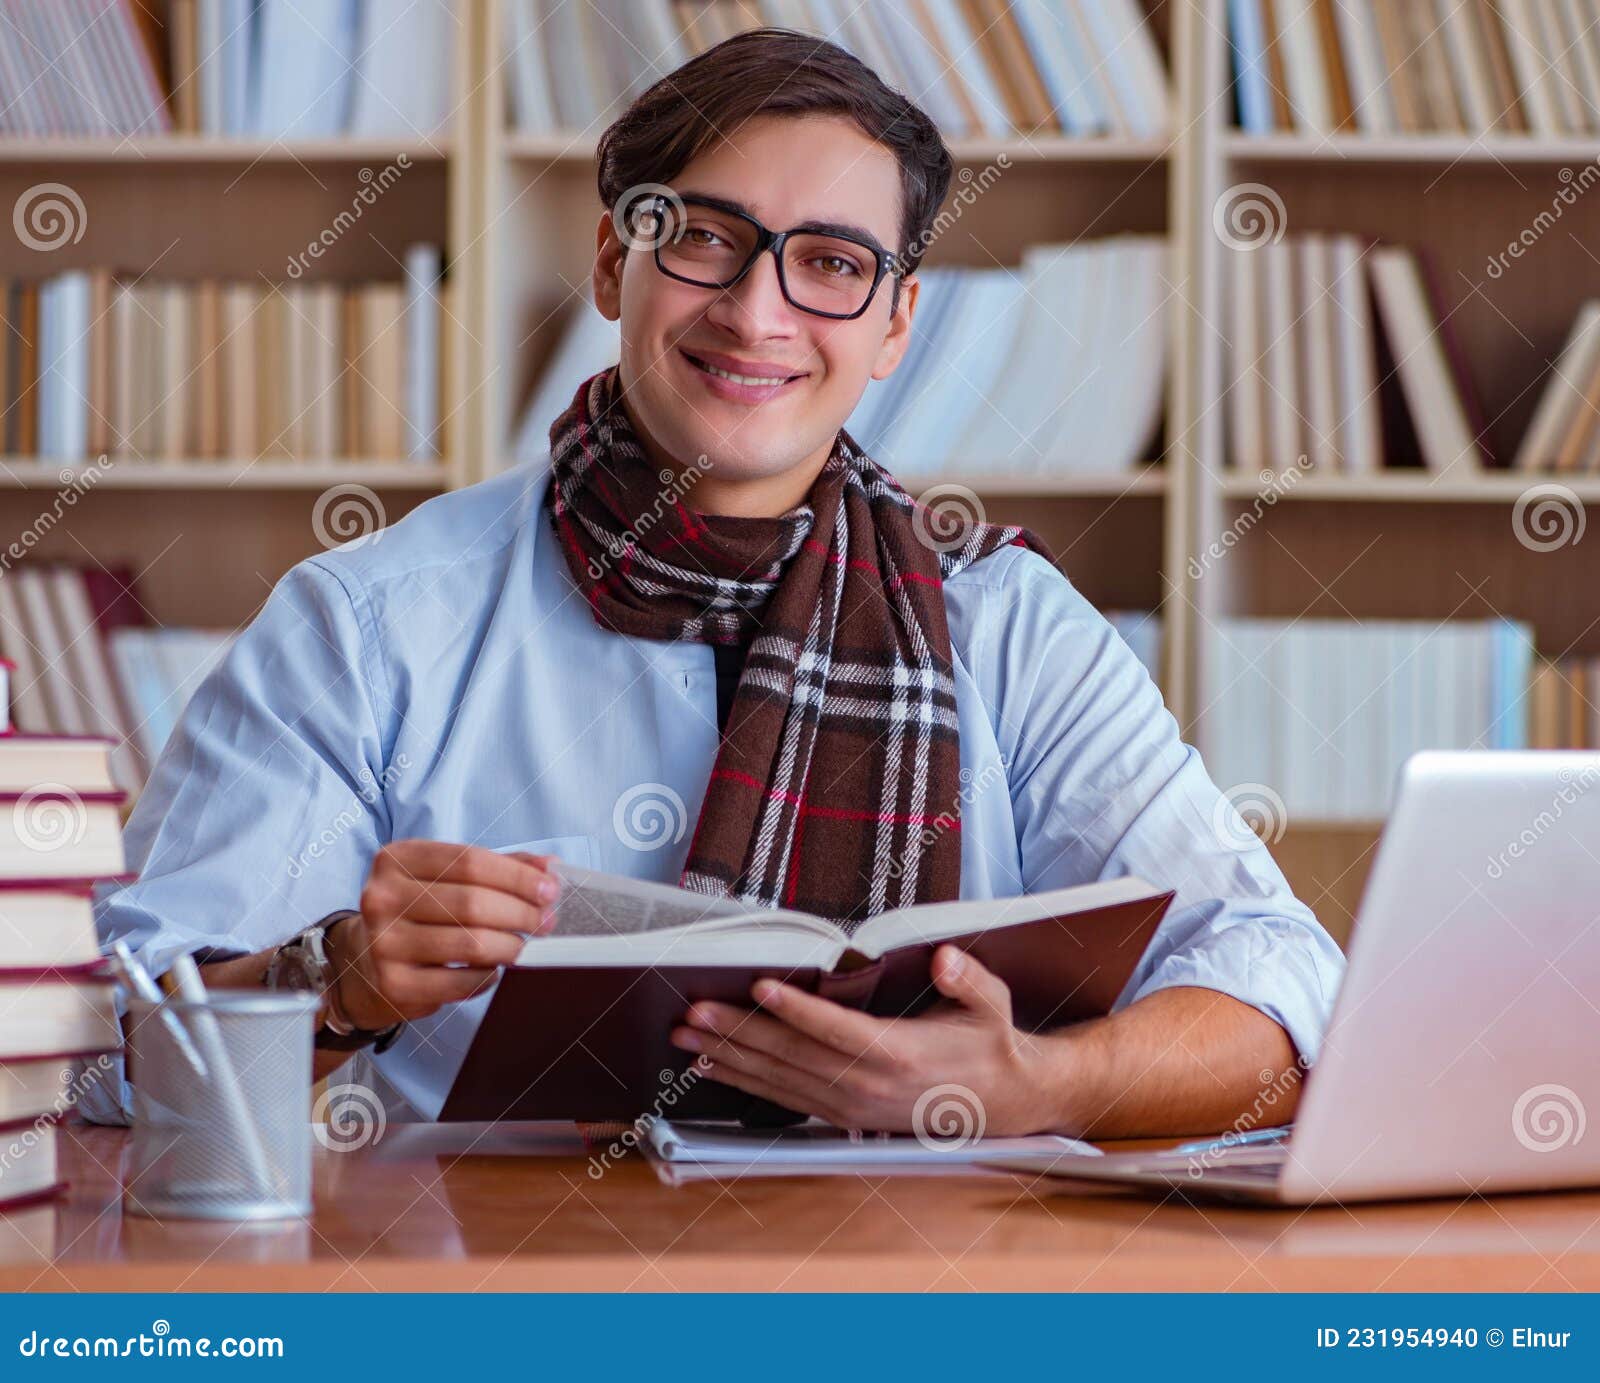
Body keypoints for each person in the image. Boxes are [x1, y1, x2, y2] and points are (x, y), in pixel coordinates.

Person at [92, 29, 1342, 1136]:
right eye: (702, 238)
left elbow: (1282, 983)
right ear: (608, 261)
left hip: (927, 1293)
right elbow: (100, 1058)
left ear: (895, 325)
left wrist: (1045, 1085)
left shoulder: (1008, 628)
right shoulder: (365, 625)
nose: (757, 314)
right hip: (487, 1298)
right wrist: (334, 979)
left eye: (832, 265)